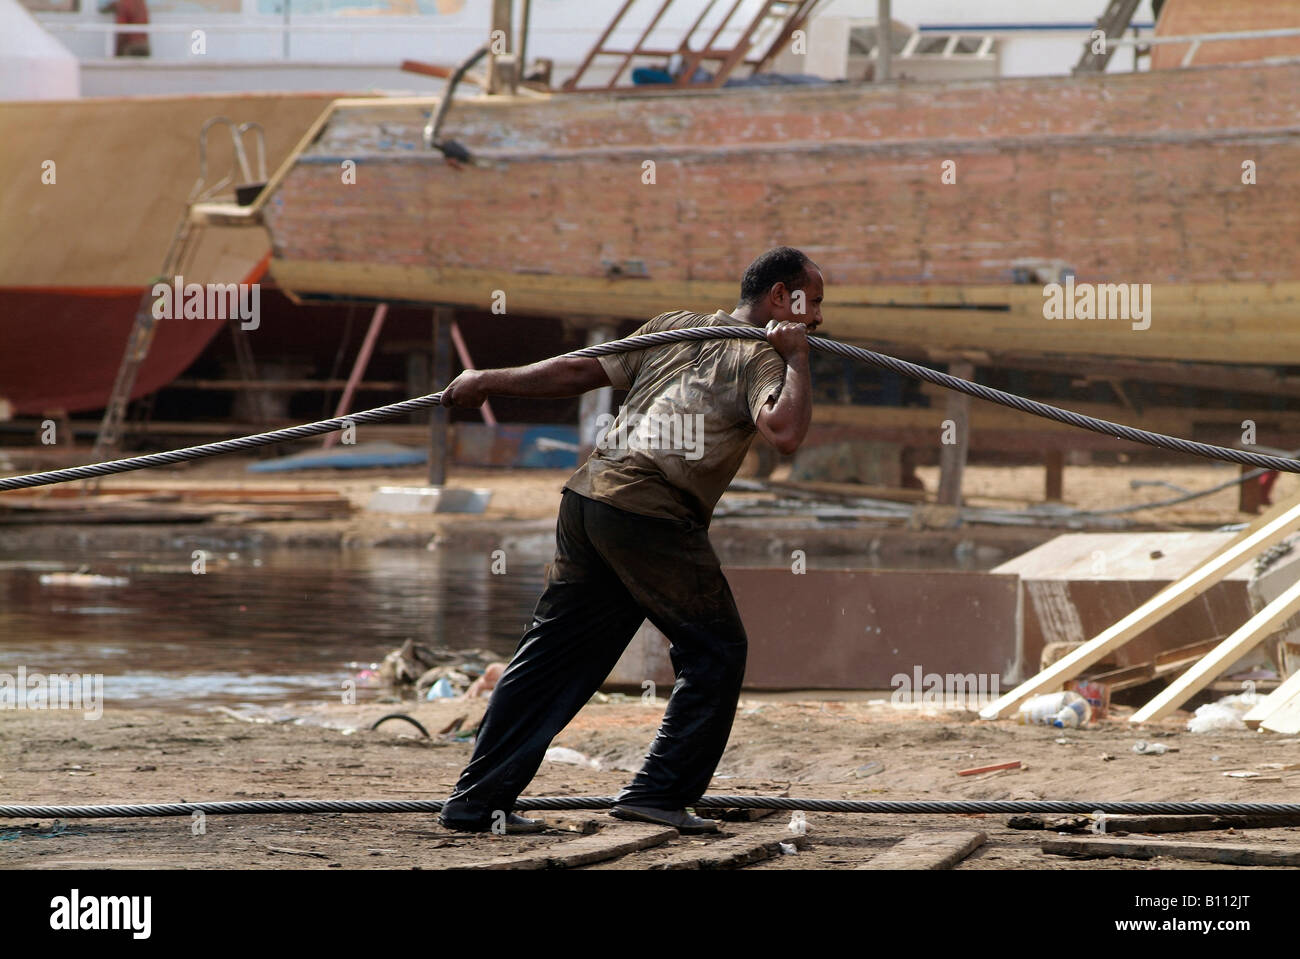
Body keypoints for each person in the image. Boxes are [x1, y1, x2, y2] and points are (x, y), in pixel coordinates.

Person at [436, 247, 822, 834]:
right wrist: (796, 358)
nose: (817, 317)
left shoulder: (676, 325)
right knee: (717, 652)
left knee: (553, 658)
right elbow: (785, 432)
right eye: (811, 303)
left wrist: (491, 380)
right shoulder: (762, 355)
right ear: (780, 298)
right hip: (650, 512)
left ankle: (476, 802)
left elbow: (576, 371)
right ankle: (658, 794)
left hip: (590, 502)